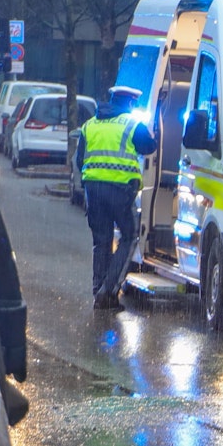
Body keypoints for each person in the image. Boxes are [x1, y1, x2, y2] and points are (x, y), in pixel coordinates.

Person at [75, 85, 157, 309]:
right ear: (130, 103)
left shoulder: (90, 125)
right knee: (129, 237)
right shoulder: (132, 124)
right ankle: (109, 290)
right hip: (121, 190)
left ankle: (98, 291)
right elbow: (149, 147)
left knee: (101, 241)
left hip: (93, 191)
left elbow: (80, 160)